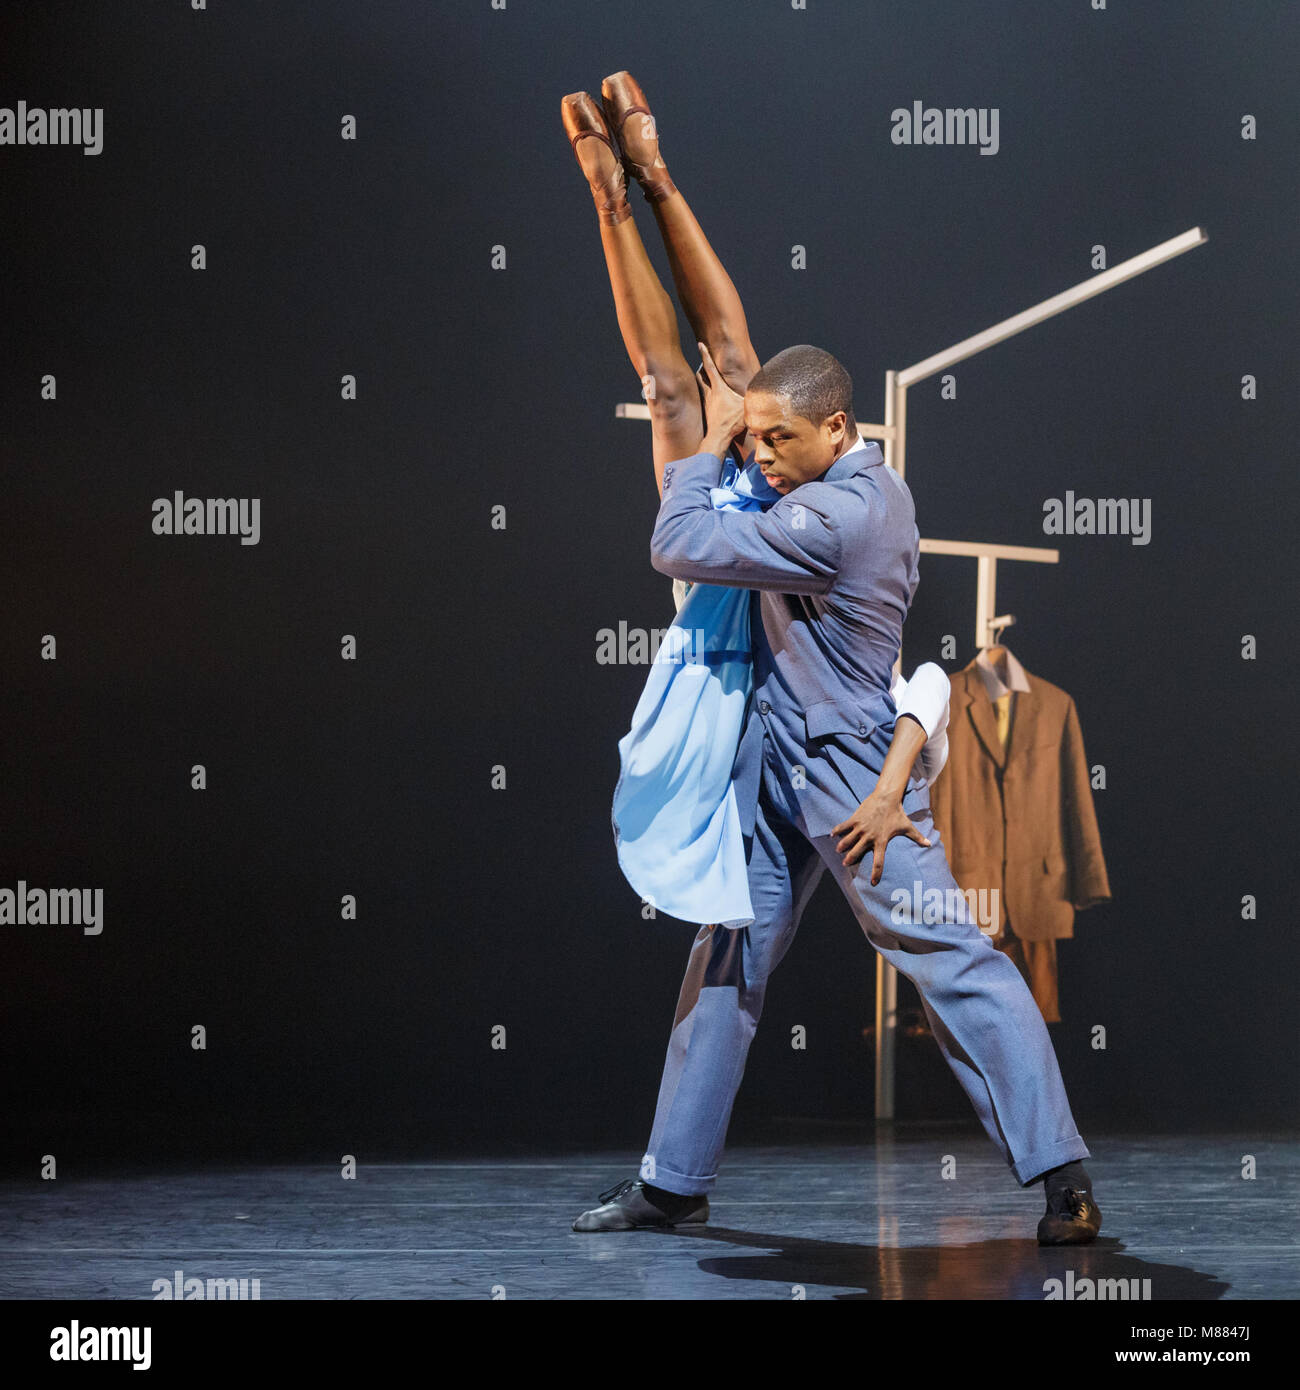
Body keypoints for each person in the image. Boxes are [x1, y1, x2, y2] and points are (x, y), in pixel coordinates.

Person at [562, 73, 1100, 1246]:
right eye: (755, 437)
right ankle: (672, 1178)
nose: (756, 443)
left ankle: (1062, 1176)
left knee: (951, 957)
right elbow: (714, 364)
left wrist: (708, 455)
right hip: (768, 754)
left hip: (855, 776)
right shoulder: (800, 460)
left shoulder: (842, 510)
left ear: (837, 434)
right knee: (725, 953)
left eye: (772, 436)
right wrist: (639, 187)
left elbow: (676, 539)